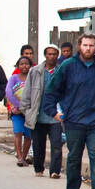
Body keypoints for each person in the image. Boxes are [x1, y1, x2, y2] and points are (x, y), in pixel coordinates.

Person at [44, 34, 95, 189]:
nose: (88, 48)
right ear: (79, 46)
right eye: (85, 45)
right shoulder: (68, 66)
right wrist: (53, 112)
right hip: (74, 120)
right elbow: (52, 90)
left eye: (91, 45)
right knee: (74, 157)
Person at [20, 44, 64, 179]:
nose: (52, 56)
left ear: (58, 55)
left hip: (55, 116)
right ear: (45, 55)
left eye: (54, 54)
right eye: (49, 54)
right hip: (38, 115)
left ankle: (55, 171)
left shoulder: (62, 71)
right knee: (38, 145)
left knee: (56, 144)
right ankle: (39, 168)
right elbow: (27, 91)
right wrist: (26, 110)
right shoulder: (35, 71)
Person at [5, 56, 32, 166]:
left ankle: (24, 157)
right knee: (18, 132)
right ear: (18, 66)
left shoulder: (33, 77)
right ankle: (19, 157)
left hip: (30, 111)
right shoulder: (14, 78)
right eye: (22, 64)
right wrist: (18, 106)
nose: (24, 66)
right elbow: (8, 92)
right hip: (17, 111)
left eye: (26, 64)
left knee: (28, 136)